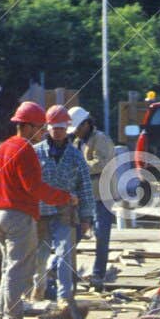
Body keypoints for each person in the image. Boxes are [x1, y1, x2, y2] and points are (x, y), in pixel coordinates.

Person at [0, 101, 77, 319]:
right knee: (19, 269)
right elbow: (35, 188)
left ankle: (2, 317)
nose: (42, 132)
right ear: (27, 126)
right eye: (39, 127)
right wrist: (64, 197)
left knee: (8, 268)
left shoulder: (4, 147)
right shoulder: (25, 150)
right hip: (18, 215)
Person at [35, 104, 94, 319]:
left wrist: (87, 217)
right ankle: (36, 293)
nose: (57, 131)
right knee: (39, 257)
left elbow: (85, 187)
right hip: (40, 212)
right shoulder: (36, 152)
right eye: (54, 127)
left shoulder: (75, 156)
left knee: (64, 256)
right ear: (47, 127)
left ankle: (64, 299)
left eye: (61, 127)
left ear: (66, 128)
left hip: (65, 213)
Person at [69, 105, 116, 287]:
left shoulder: (100, 139)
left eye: (78, 128)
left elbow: (101, 163)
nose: (76, 132)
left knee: (101, 235)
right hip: (85, 196)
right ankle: (67, 270)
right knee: (77, 232)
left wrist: (79, 169)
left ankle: (98, 274)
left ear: (86, 124)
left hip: (101, 195)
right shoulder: (77, 142)